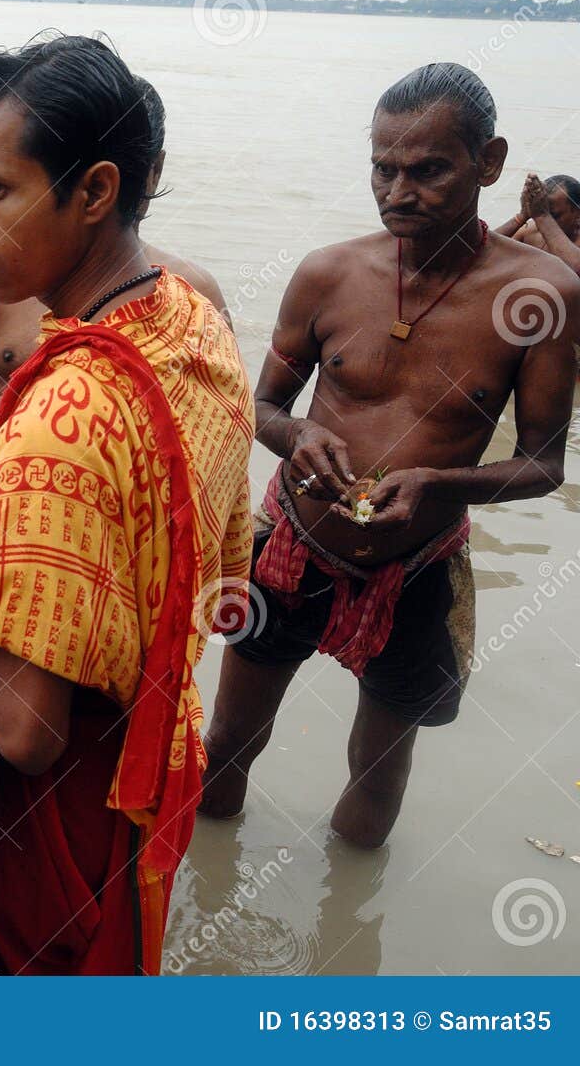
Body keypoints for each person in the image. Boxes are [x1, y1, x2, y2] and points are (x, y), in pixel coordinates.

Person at [0, 34, 253, 974]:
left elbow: (26, 730)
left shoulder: (58, 420)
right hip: (144, 761)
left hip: (53, 816)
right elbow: (223, 568)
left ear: (96, 191)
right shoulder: (191, 317)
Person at [200, 63, 580, 846]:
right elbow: (261, 408)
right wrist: (300, 437)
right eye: (383, 168)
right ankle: (208, 887)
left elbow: (545, 465)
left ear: (489, 162)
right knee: (229, 740)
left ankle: (347, 910)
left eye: (428, 170)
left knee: (377, 774)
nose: (398, 192)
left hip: (418, 566)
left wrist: (438, 481)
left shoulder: (543, 295)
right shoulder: (328, 273)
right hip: (292, 546)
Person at [0, 75, 230, 429]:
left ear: (154, 170)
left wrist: (70, 406)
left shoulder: (192, 298)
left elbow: (214, 427)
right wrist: (47, 407)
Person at [494, 172, 580, 274]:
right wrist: (522, 216)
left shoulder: (542, 220)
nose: (544, 225)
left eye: (554, 216)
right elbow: (483, 250)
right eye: (541, 210)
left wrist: (543, 217)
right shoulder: (530, 232)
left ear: (578, 213)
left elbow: (577, 269)